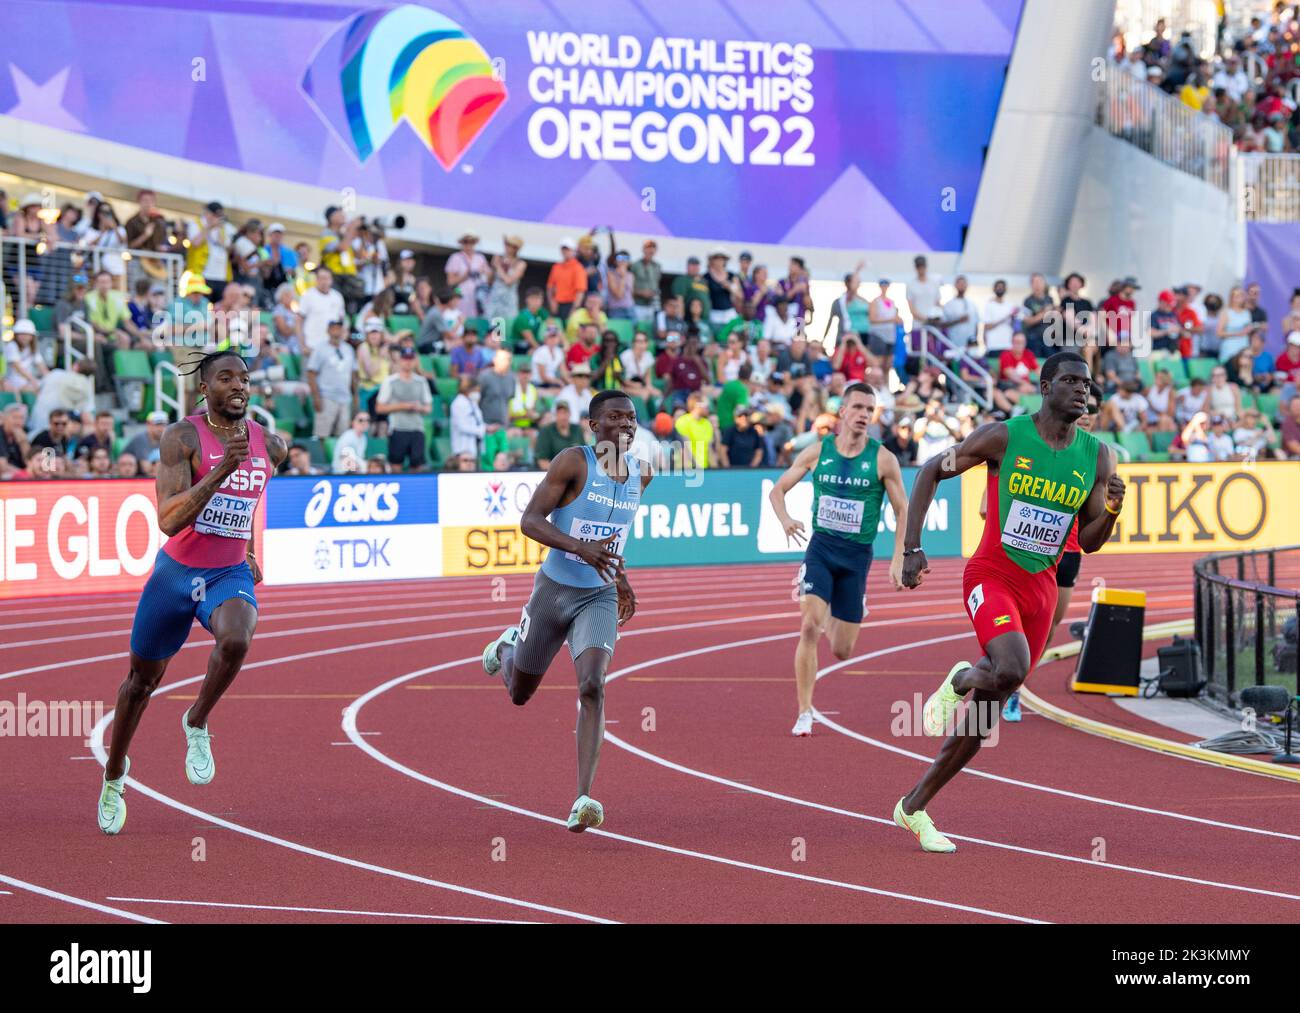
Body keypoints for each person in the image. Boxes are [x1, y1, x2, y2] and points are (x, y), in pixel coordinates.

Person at [893, 351, 1124, 852]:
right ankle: (959, 678)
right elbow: (929, 471)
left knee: (986, 715)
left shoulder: (1098, 455)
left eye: (1087, 383)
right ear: (1045, 387)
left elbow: (1088, 541)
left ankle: (913, 808)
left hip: (1040, 589)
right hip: (993, 572)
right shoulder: (1004, 436)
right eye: (1070, 380)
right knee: (1012, 669)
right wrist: (912, 547)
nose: (1082, 390)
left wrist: (1109, 511)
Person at [97, 351, 289, 834]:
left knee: (238, 638)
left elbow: (248, 502)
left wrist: (246, 547)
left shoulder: (273, 446)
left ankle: (197, 721)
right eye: (225, 378)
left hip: (227, 573)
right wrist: (222, 469)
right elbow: (167, 520)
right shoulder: (182, 437)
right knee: (140, 683)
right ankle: (115, 774)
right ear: (204, 389)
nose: (238, 385)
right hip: (175, 574)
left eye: (244, 378)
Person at [480, 390, 652, 831]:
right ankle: (506, 649)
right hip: (554, 589)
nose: (626, 426)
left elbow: (617, 535)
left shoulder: (642, 474)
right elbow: (530, 521)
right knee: (520, 693)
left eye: (631, 418)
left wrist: (620, 577)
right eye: (615, 418)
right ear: (594, 427)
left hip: (598, 594)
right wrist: (582, 548)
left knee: (593, 685)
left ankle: (583, 799)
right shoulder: (573, 463)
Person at [768, 383, 908, 736]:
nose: (864, 414)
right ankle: (804, 711)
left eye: (869, 409)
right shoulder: (818, 451)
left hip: (857, 556)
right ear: (842, 412)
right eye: (858, 407)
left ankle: (848, 601)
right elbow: (777, 489)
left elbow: (903, 508)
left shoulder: (883, 458)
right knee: (807, 626)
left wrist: (897, 559)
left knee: (843, 650)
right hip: (821, 549)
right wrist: (785, 519)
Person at [992, 380, 1103, 723]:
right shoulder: (1036, 440)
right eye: (1084, 407)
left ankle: (1014, 685)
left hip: (1066, 554)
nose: (1086, 414)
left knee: (1049, 623)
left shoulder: (1096, 455)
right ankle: (1002, 675)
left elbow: (1095, 519)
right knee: (1011, 621)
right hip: (1021, 549)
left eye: (1093, 410)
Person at [376, 348, 432, 471]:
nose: (408, 362)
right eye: (405, 359)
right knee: (396, 465)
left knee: (417, 466)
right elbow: (379, 407)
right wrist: (403, 406)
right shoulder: (390, 381)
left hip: (417, 428)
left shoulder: (421, 381)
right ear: (400, 361)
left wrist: (419, 407)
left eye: (411, 359)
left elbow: (428, 407)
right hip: (398, 428)